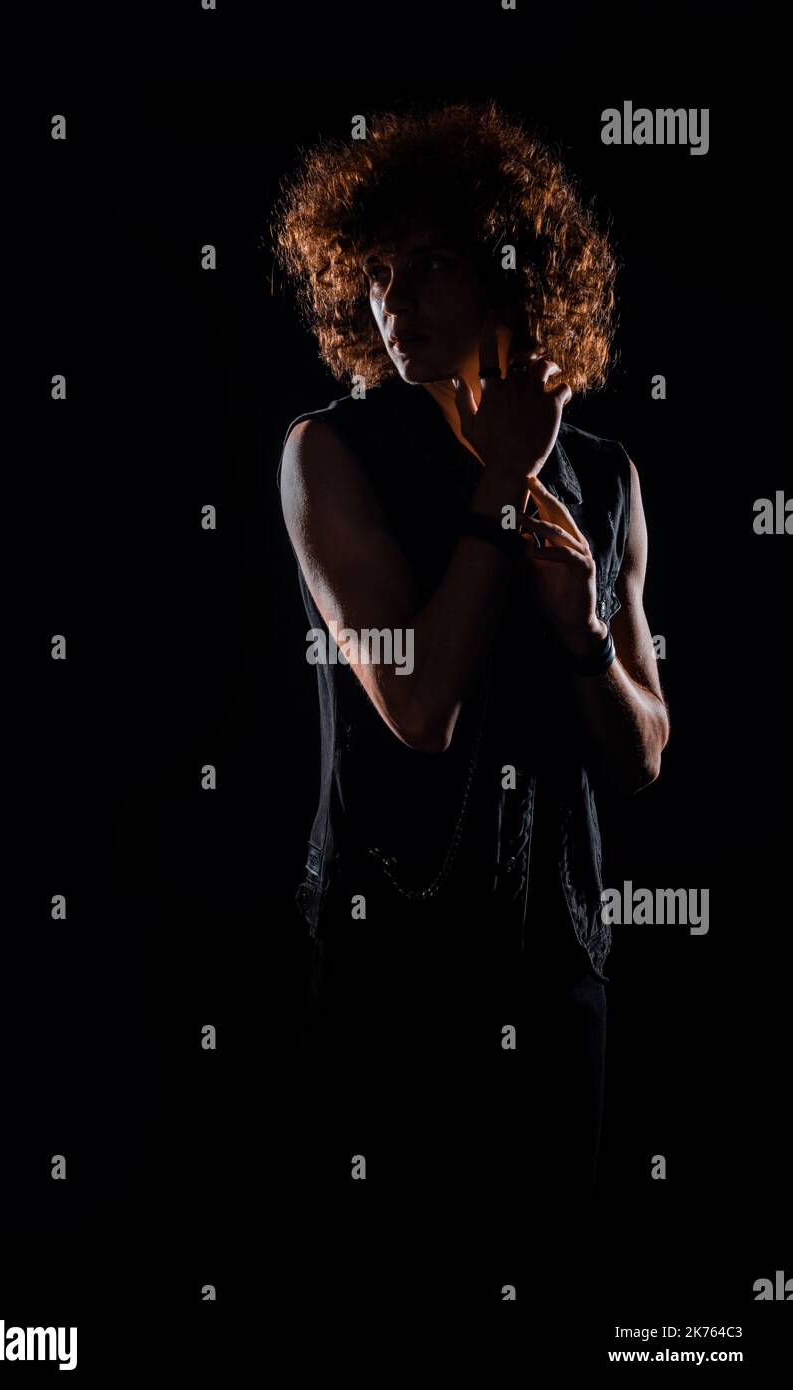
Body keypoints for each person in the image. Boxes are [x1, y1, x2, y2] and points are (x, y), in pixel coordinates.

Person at [270, 100, 670, 1291]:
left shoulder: (604, 476)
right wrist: (500, 487)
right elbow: (420, 704)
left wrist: (586, 634)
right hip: (393, 960)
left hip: (556, 965)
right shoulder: (328, 453)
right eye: (379, 271)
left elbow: (645, 753)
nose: (396, 298)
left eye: (431, 261)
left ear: (514, 271)